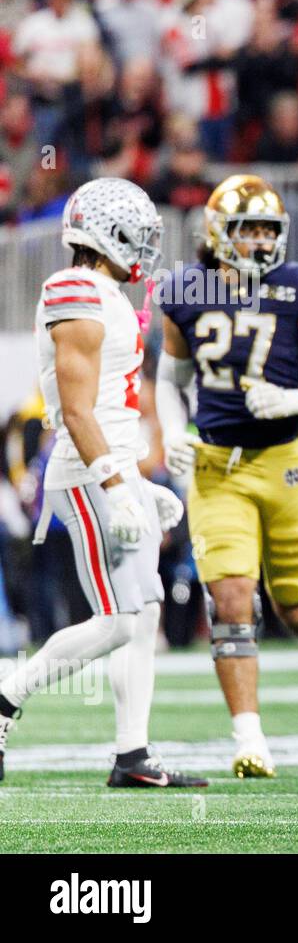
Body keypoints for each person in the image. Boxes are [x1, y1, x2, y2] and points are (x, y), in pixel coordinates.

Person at [153, 174, 298, 778]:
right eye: (250, 229)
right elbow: (171, 381)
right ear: (219, 232)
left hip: (284, 464)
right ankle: (249, 737)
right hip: (218, 466)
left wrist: (294, 399)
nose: (262, 241)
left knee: (295, 602)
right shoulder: (186, 289)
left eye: (270, 230)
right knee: (231, 596)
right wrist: (174, 434)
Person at [0, 178, 206, 788]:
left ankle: (132, 755)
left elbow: (111, 410)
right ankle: (5, 698)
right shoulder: (76, 291)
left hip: (114, 466)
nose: (146, 246)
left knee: (142, 616)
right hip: (88, 471)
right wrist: (118, 488)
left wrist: (142, 483)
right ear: (105, 234)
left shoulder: (105, 292)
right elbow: (79, 409)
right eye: (137, 234)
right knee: (119, 619)